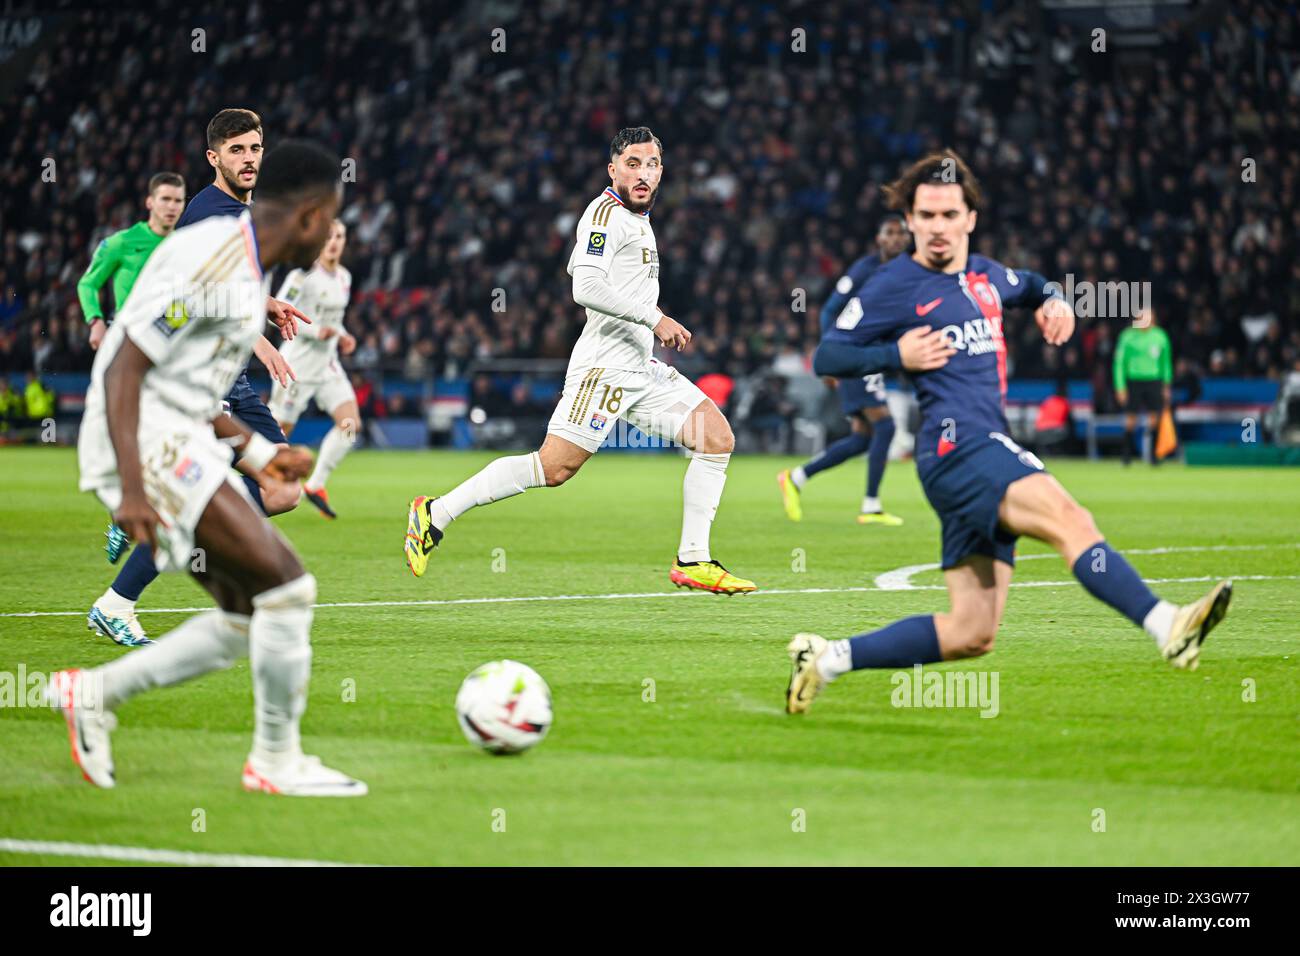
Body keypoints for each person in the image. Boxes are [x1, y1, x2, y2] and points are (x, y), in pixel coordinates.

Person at [787, 150, 1231, 714]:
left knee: (972, 632)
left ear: (970, 216)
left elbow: (1034, 285)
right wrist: (893, 352)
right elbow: (828, 353)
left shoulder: (989, 276)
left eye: (949, 214)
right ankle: (1166, 623)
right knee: (1071, 519)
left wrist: (1055, 301)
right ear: (912, 221)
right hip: (958, 446)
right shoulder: (894, 283)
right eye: (925, 216)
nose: (937, 227)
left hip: (972, 455)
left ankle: (826, 660)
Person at [49, 140, 366, 796]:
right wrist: (132, 491)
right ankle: (275, 763)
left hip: (175, 433)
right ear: (309, 214)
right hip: (139, 440)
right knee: (289, 589)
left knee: (251, 613)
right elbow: (126, 368)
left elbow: (197, 397)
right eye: (332, 216)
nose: (336, 234)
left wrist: (263, 455)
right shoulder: (216, 257)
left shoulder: (247, 277)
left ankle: (95, 692)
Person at [404, 127, 757, 594]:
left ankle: (693, 559)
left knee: (715, 439)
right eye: (633, 163)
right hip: (605, 368)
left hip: (641, 368)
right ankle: (436, 512)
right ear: (613, 169)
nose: (643, 173)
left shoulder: (637, 220)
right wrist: (655, 318)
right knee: (555, 469)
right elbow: (584, 287)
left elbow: (583, 269)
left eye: (652, 164)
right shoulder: (605, 213)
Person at [86, 108, 308, 647]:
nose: (249, 158)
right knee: (246, 490)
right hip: (197, 381)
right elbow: (195, 302)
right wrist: (260, 343)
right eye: (237, 151)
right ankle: (121, 596)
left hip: (220, 378)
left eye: (255, 148)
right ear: (214, 158)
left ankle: (170, 521)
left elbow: (227, 295)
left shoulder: (241, 213)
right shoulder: (210, 216)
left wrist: (266, 304)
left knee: (282, 491)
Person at [779, 214, 910, 524]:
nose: (895, 239)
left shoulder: (905, 272)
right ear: (879, 238)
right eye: (889, 233)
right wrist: (832, 357)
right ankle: (871, 506)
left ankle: (796, 477)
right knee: (886, 426)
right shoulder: (865, 270)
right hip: (854, 355)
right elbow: (829, 310)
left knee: (863, 437)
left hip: (871, 356)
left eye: (900, 234)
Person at [269, 219, 359, 518]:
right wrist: (315, 330)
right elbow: (279, 309)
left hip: (328, 366)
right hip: (297, 364)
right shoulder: (302, 275)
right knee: (277, 434)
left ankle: (316, 484)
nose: (334, 241)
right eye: (330, 235)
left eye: (340, 236)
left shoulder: (344, 277)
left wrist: (342, 335)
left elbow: (334, 319)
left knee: (350, 425)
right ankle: (257, 490)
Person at [77, 172, 186, 352]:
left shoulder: (186, 245)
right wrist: (95, 322)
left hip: (171, 344)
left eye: (178, 201)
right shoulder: (122, 242)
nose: (172, 207)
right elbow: (88, 284)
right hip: (128, 340)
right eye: (165, 199)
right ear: (149, 202)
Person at [1114, 307, 1172, 465]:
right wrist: (1120, 387)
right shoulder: (1127, 336)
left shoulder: (1160, 336)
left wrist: (1166, 385)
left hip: (1154, 381)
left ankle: (1154, 456)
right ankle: (1126, 456)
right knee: (1131, 419)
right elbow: (1119, 364)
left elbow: (1165, 363)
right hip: (1134, 381)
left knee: (1154, 419)